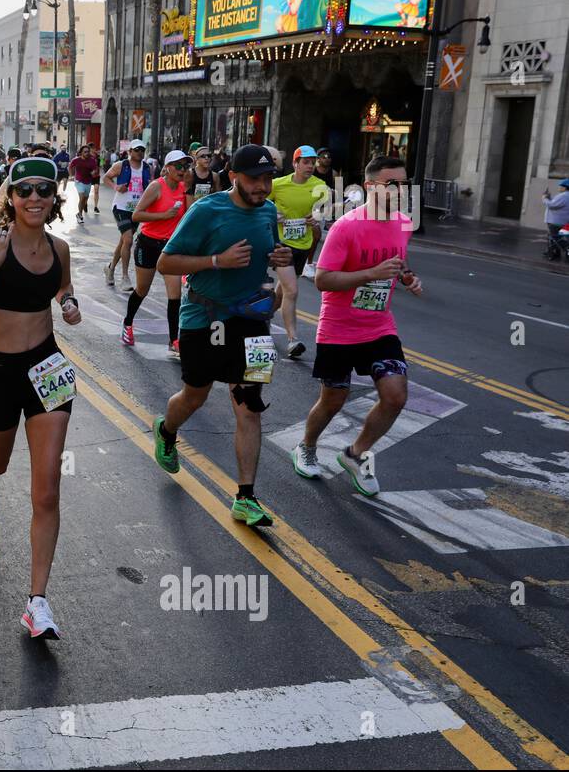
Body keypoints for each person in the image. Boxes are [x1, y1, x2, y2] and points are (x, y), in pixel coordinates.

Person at [0, 156, 82, 640]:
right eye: (24, 190)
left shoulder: (60, 248)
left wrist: (69, 305)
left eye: (43, 190)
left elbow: (63, 290)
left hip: (47, 370)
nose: (34, 198)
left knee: (47, 486)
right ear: (10, 196)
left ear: (55, 198)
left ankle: (37, 602)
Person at [152, 144, 293, 528]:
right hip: (206, 317)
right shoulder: (206, 210)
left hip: (253, 320)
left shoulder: (267, 212)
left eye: (267, 178)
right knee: (195, 395)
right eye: (254, 179)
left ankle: (245, 497)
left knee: (249, 404)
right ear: (233, 177)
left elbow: (268, 252)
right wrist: (217, 261)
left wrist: (278, 258)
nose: (263, 187)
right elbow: (166, 261)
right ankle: (166, 430)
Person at [292, 156, 422, 495]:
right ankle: (306, 446)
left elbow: (398, 260)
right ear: (370, 187)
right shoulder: (346, 226)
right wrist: (369, 274)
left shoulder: (404, 223)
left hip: (379, 326)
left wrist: (407, 278)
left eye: (404, 183)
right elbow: (322, 279)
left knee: (395, 396)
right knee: (334, 399)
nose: (399, 190)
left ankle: (355, 454)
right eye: (391, 183)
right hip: (338, 328)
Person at [121, 151, 191, 356]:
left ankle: (174, 340)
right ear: (167, 167)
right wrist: (164, 216)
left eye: (185, 166)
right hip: (148, 244)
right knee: (142, 289)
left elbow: (186, 216)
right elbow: (137, 215)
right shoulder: (156, 186)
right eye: (178, 166)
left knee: (175, 294)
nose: (182, 170)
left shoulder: (182, 189)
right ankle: (127, 324)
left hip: (170, 247)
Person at [270, 145, 330, 359]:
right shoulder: (278, 184)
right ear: (295, 163)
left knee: (282, 291)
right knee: (292, 291)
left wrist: (317, 218)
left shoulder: (320, 186)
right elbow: (259, 203)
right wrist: (272, 212)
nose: (310, 166)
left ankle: (263, 319)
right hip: (282, 245)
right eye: (305, 162)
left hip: (302, 245)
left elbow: (324, 212)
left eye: (313, 162)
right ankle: (292, 339)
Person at [103, 143, 151, 292]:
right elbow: (106, 178)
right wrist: (116, 187)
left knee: (124, 241)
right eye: (137, 150)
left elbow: (150, 186)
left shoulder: (147, 167)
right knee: (129, 240)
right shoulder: (121, 165)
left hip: (136, 210)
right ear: (130, 151)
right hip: (121, 207)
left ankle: (110, 268)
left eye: (142, 150)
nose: (140, 153)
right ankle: (125, 277)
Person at [68, 144, 102, 221]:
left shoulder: (92, 160)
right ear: (81, 153)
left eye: (88, 151)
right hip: (79, 181)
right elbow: (70, 166)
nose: (87, 153)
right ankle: (80, 214)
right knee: (82, 197)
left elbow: (95, 169)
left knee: (85, 199)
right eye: (85, 152)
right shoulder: (76, 160)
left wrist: (93, 172)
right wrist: (70, 175)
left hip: (88, 181)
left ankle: (80, 211)